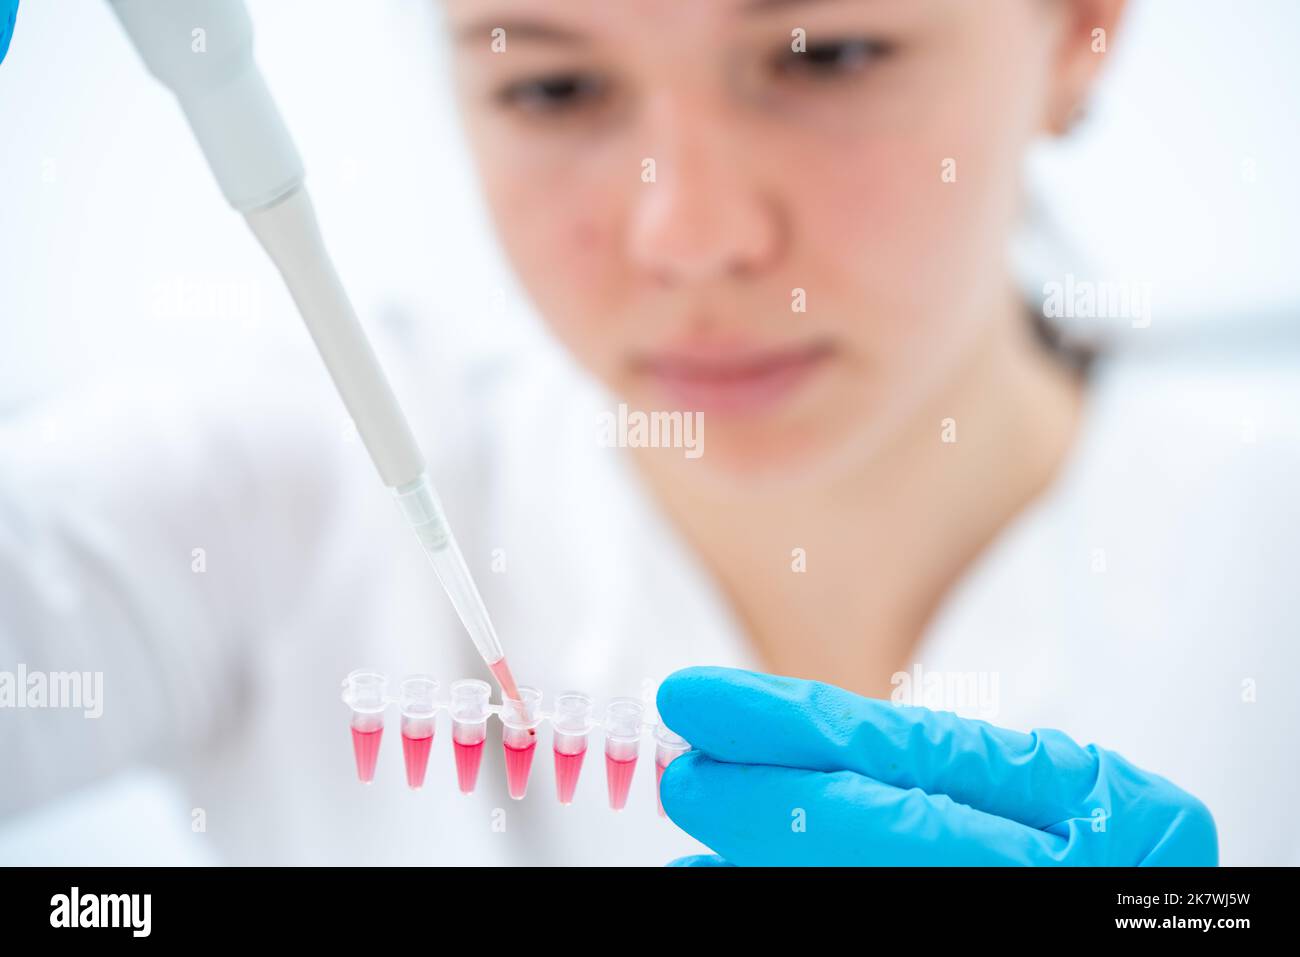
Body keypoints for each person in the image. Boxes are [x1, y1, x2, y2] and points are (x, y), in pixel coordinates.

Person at [1, 0, 1296, 865]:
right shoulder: (270, 493)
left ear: (1080, 28)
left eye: (823, 56)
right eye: (557, 87)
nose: (686, 235)